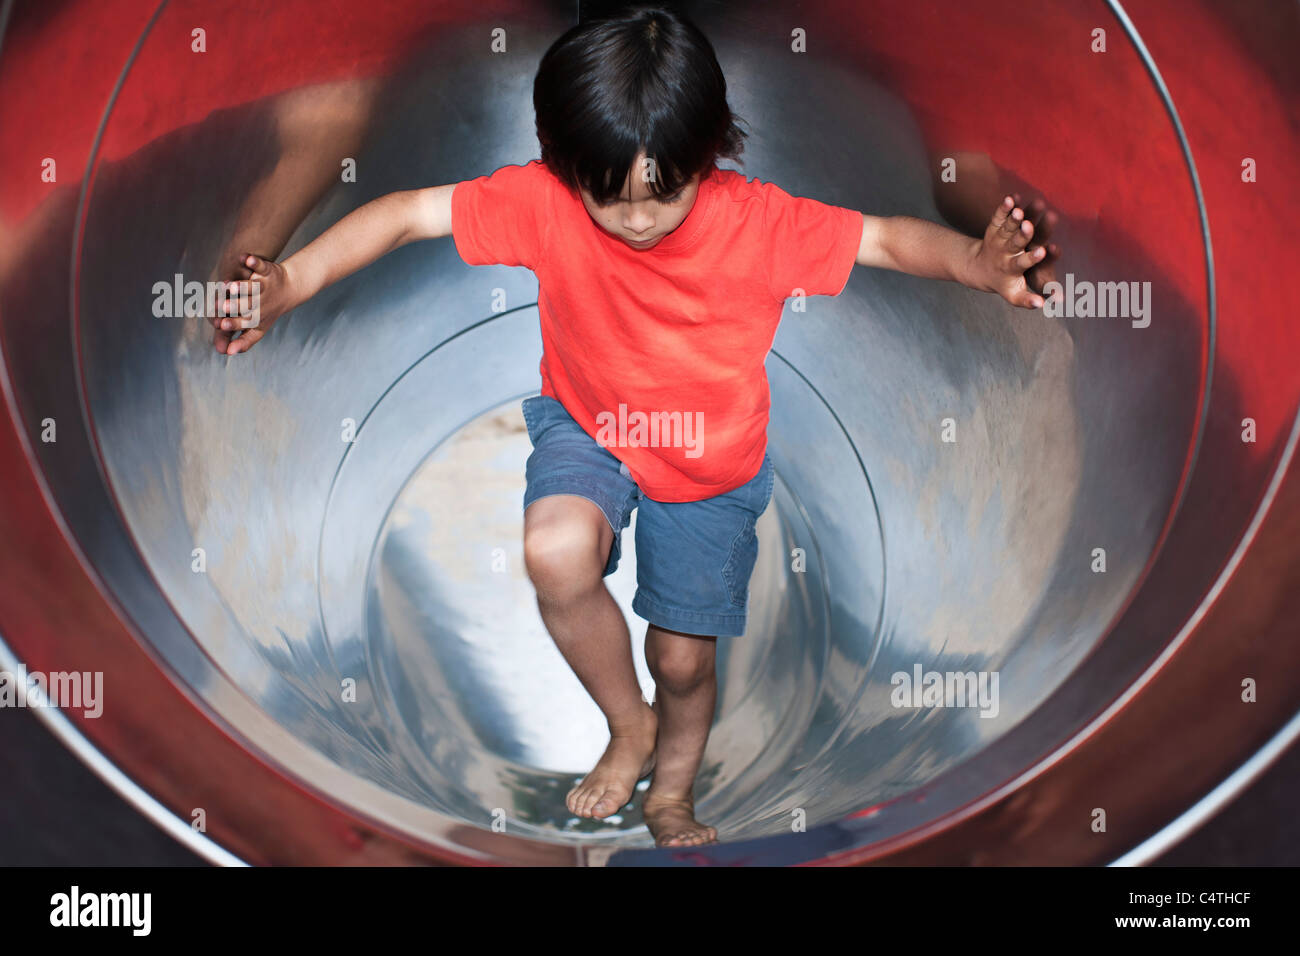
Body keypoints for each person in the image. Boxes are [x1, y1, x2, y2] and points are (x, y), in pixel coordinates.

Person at [214, 4, 1047, 847]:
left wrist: (977, 265)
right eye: (608, 197)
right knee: (553, 550)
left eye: (665, 193)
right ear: (562, 165)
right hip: (589, 425)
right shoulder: (546, 203)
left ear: (709, 155)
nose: (639, 220)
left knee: (683, 661)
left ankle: (672, 791)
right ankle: (629, 727)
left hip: (709, 466)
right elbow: (403, 215)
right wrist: (290, 281)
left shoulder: (755, 224)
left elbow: (886, 242)